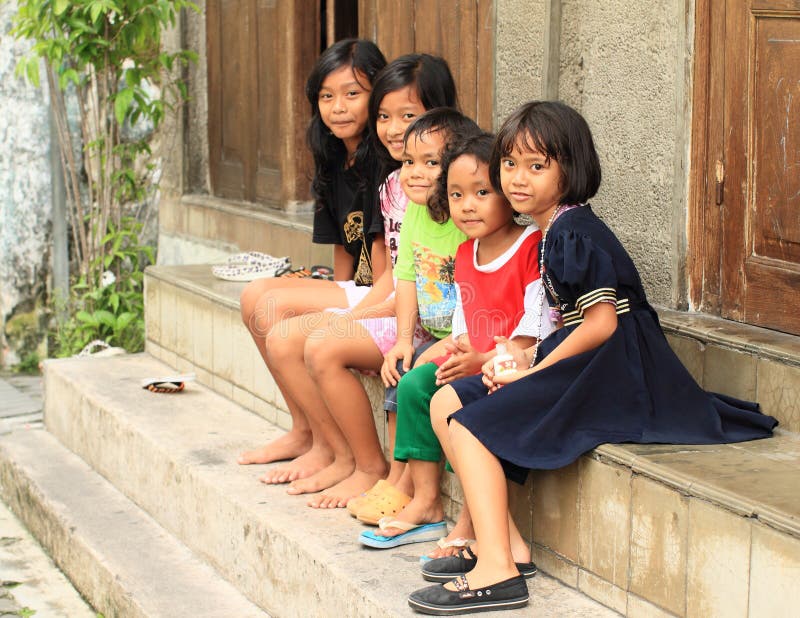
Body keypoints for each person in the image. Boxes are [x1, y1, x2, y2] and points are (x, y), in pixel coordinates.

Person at [409, 100, 778, 615]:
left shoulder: (572, 232)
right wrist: (520, 356)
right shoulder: (553, 230)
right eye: (510, 164)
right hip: (585, 357)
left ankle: (497, 572)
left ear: (571, 169)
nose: (518, 179)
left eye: (537, 167)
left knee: (470, 422)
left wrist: (532, 371)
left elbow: (602, 324)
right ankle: (507, 546)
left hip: (613, 369)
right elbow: (564, 326)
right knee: (446, 398)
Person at [251, 55, 459, 504]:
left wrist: (353, 317)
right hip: (403, 312)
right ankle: (338, 454)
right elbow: (397, 274)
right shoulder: (394, 187)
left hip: (435, 325)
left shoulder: (453, 192)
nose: (393, 127)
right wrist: (355, 313)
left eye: (409, 115)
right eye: (384, 116)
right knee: (287, 337)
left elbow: (434, 281)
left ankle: (368, 465)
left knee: (319, 343)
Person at [358, 132, 553, 554]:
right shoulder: (467, 253)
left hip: (510, 365)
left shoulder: (530, 247)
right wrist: (444, 352)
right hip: (472, 358)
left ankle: (470, 518)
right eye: (457, 194)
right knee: (414, 385)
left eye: (482, 192)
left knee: (459, 400)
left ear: (505, 192)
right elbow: (465, 320)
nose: (468, 205)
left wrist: (484, 358)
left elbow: (534, 328)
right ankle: (427, 501)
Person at [288, 108, 480, 510]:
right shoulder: (413, 211)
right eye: (409, 161)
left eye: (431, 163)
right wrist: (404, 340)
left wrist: (433, 345)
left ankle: (407, 483)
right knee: (401, 365)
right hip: (429, 329)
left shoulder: (464, 220)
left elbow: (473, 292)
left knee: (414, 377)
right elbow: (405, 278)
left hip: (464, 335)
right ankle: (396, 475)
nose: (414, 172)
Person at [236, 39, 387, 479]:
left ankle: (331, 447)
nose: (338, 107)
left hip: (380, 296)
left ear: (377, 95)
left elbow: (383, 277)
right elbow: (343, 256)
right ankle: (304, 429)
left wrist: (344, 319)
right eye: (327, 96)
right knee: (254, 296)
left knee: (275, 310)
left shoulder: (386, 164)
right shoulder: (333, 158)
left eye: (352, 94)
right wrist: (331, 300)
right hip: (357, 290)